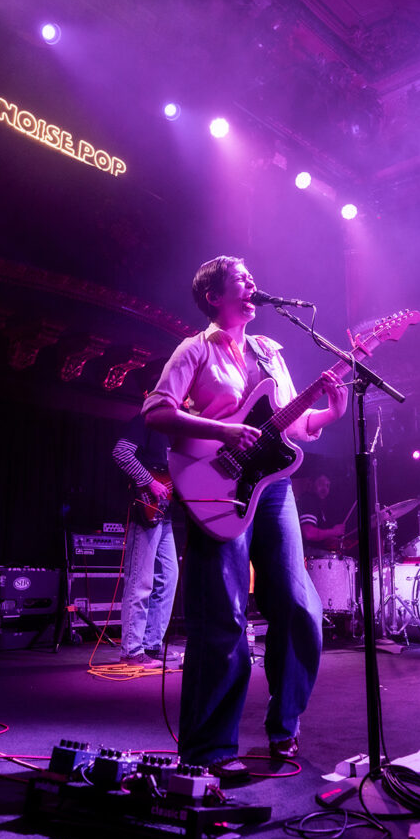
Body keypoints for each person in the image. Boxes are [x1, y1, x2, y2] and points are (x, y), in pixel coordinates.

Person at [143, 255, 348, 777]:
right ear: (214, 295)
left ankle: (285, 729)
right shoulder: (194, 349)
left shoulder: (270, 350)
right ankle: (209, 752)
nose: (253, 283)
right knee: (225, 620)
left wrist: (330, 413)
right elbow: (157, 412)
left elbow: (289, 425)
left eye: (253, 277)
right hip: (215, 488)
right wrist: (225, 432)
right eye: (241, 278)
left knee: (300, 607)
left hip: (273, 489)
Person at [110, 413, 178, 667]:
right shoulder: (147, 420)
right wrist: (150, 482)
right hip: (146, 508)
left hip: (166, 512)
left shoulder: (179, 432)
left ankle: (151, 644)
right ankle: (131, 649)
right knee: (141, 579)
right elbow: (121, 453)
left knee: (169, 577)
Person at [297, 473, 349, 555]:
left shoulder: (317, 505)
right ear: (311, 483)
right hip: (306, 554)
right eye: (321, 484)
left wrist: (330, 539)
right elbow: (309, 533)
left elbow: (316, 537)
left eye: (327, 486)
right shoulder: (308, 501)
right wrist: (333, 531)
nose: (325, 489)